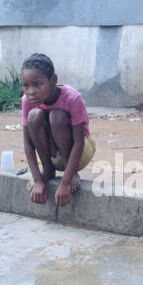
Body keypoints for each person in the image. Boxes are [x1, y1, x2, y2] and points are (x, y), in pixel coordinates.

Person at [20, 53, 95, 207]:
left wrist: (66, 182)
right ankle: (47, 169)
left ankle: (71, 171)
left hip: (79, 153)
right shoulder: (27, 101)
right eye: (26, 85)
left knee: (57, 116)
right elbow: (28, 143)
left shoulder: (72, 98)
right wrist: (37, 180)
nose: (31, 91)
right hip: (53, 154)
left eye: (37, 84)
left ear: (53, 80)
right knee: (34, 116)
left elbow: (79, 143)